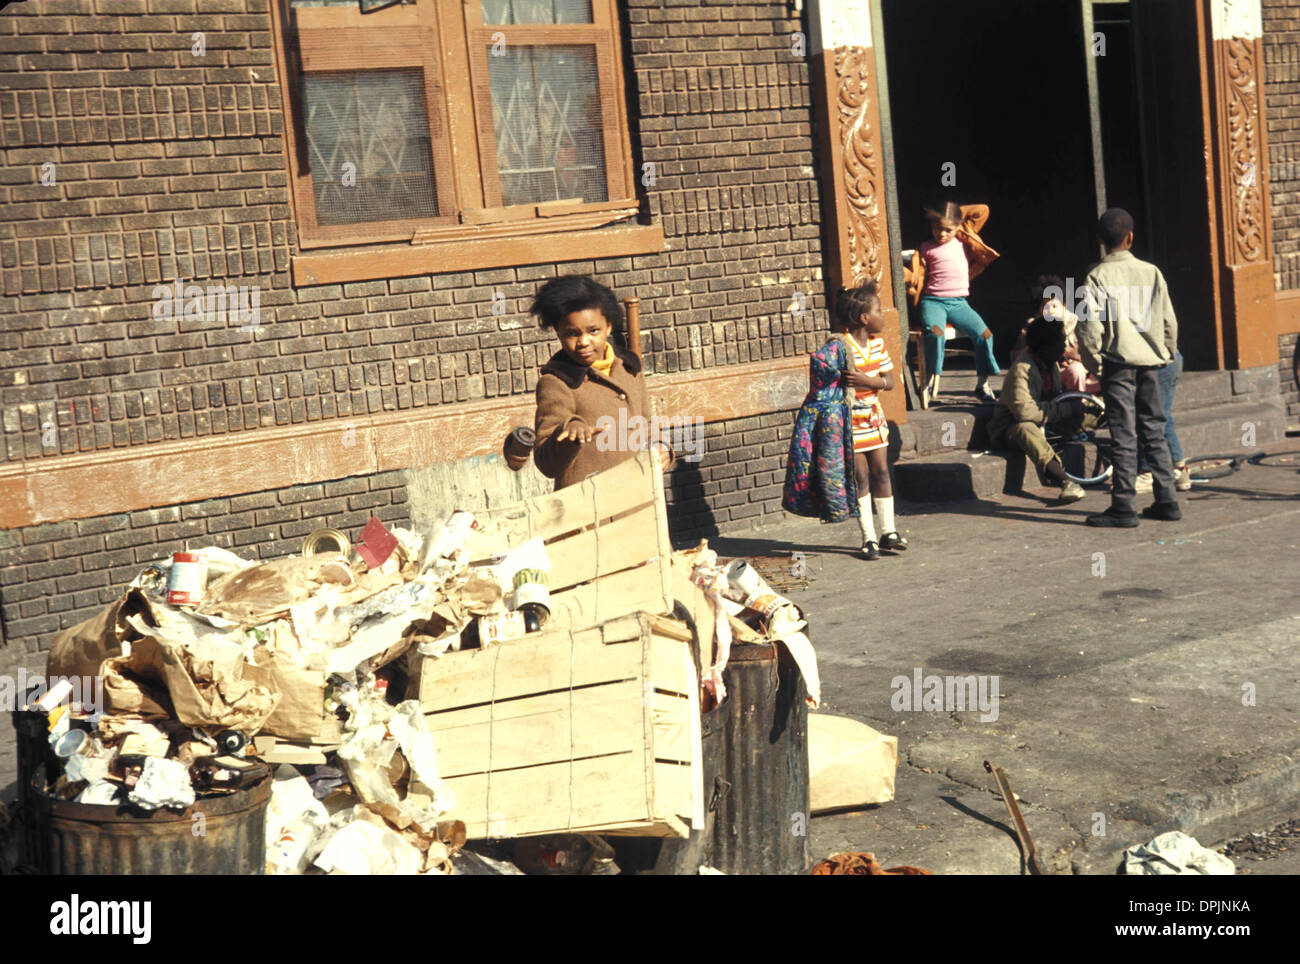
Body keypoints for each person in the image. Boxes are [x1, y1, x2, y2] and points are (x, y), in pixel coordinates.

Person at [783, 282, 908, 559]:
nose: (883, 315)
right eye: (878, 310)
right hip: (849, 424)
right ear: (864, 318)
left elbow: (890, 381)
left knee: (882, 473)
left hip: (874, 420)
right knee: (860, 477)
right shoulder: (840, 347)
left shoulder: (878, 345)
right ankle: (868, 538)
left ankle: (889, 531)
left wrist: (869, 380)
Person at [1078, 208, 1181, 526]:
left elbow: (1089, 329)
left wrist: (1095, 363)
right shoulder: (1151, 272)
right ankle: (1167, 500)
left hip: (1117, 365)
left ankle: (1123, 506)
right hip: (1151, 364)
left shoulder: (1096, 277)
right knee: (1154, 431)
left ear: (1100, 241)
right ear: (1131, 238)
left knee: (1123, 434)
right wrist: (1166, 353)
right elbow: (1169, 321)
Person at [530, 275, 671, 491]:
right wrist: (569, 431)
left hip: (638, 497)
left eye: (593, 331)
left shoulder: (629, 369)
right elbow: (546, 463)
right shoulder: (556, 382)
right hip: (589, 507)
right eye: (571, 334)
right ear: (558, 332)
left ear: (608, 326)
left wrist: (661, 447)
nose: (583, 342)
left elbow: (646, 422)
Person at [987, 316, 1097, 504]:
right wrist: (1066, 409)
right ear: (1045, 347)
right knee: (1025, 428)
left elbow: (1054, 400)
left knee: (1094, 412)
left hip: (1047, 420)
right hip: (1012, 427)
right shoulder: (1022, 369)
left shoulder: (1050, 363)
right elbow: (1025, 413)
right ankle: (1066, 482)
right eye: (1060, 343)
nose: (1064, 348)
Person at [904, 200, 1002, 404]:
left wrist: (955, 216)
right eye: (937, 228)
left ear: (958, 226)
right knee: (936, 333)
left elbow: (982, 210)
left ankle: (982, 385)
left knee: (985, 335)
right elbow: (917, 275)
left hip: (959, 304)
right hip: (933, 302)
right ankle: (930, 378)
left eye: (948, 229)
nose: (942, 234)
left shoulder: (965, 241)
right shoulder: (925, 247)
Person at [1136, 348, 1192, 493]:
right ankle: (1179, 470)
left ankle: (1147, 472)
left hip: (1158, 361)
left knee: (1149, 418)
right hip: (1168, 357)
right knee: (1161, 416)